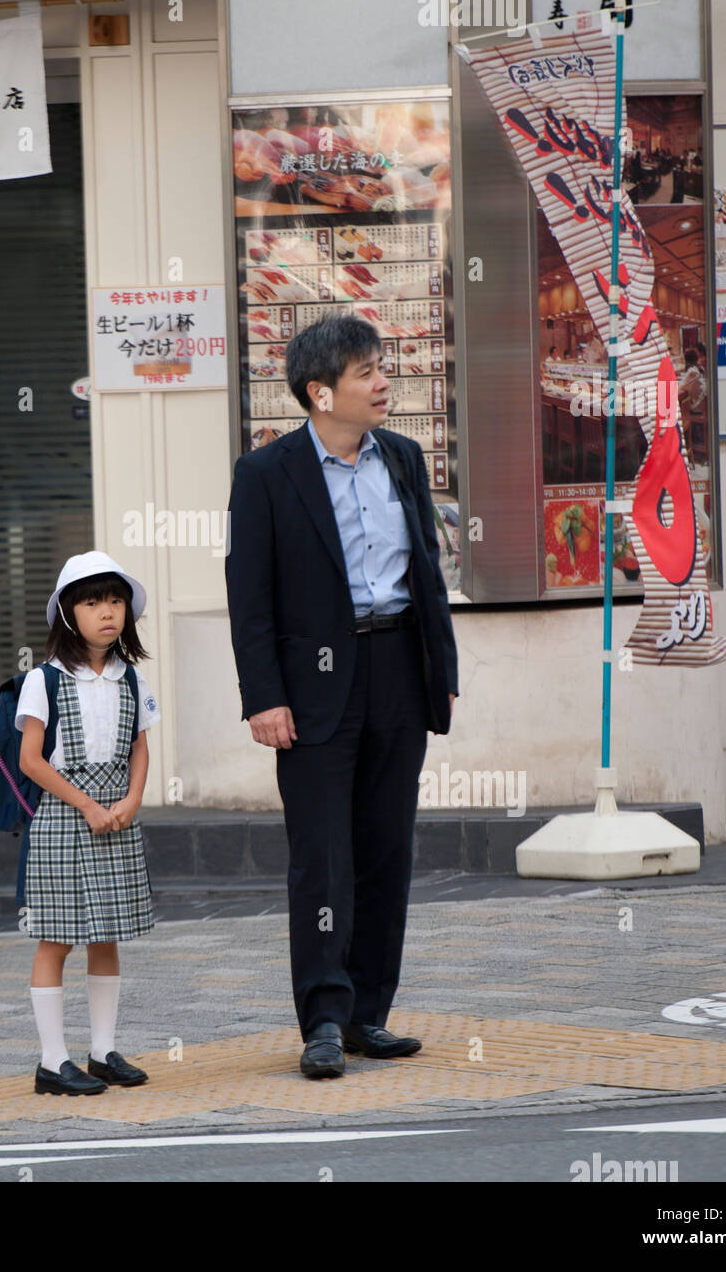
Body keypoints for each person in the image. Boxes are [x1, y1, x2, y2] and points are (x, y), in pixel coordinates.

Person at [225, 314, 459, 1080]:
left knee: (387, 848)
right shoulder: (265, 474)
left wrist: (440, 669)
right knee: (323, 857)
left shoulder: (402, 458)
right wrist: (264, 696)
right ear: (321, 393)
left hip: (397, 664)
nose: (384, 382)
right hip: (314, 685)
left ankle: (368, 1015)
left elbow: (425, 567)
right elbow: (250, 598)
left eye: (381, 367)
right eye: (367, 373)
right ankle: (323, 1018)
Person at [16, 551, 161, 1096]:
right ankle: (53, 1061)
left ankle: (102, 1051)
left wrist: (132, 799)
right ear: (67, 614)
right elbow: (31, 759)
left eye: (116, 600)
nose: (107, 612)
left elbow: (140, 747)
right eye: (93, 601)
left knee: (108, 935)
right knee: (56, 938)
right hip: (63, 819)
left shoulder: (130, 679)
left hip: (117, 817)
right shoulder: (44, 681)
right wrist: (89, 805)